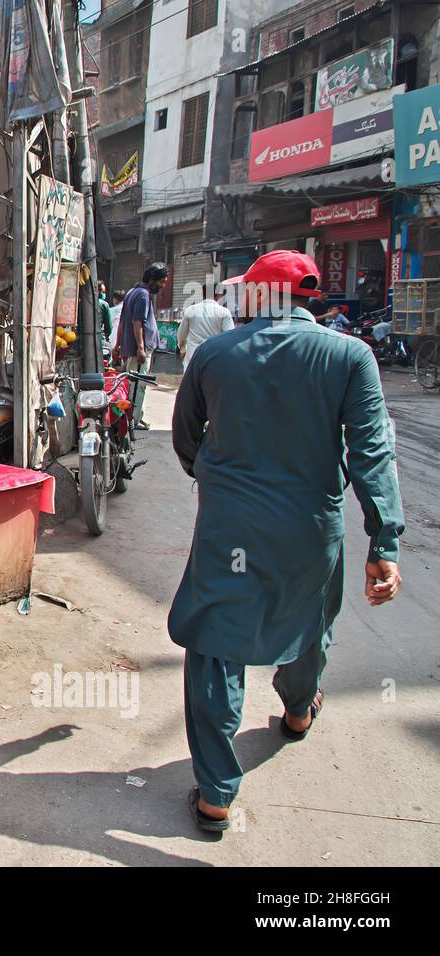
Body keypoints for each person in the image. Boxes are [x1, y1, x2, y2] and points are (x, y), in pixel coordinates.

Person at [169, 250, 404, 834]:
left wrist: (217, 481)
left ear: (263, 295)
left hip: (230, 530)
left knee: (215, 641)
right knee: (309, 620)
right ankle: (298, 711)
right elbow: (372, 451)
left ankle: (217, 793)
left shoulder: (214, 355)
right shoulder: (352, 356)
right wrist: (385, 541)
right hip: (311, 527)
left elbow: (185, 437)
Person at [115, 264, 167, 429]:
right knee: (138, 385)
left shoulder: (132, 292)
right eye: (161, 282)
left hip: (132, 347)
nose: (163, 285)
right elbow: (137, 322)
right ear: (151, 280)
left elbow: (123, 320)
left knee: (134, 383)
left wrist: (118, 343)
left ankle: (137, 415)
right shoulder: (143, 295)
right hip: (138, 350)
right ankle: (133, 420)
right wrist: (141, 348)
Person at [177, 287, 234, 367]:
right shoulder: (224, 312)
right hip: (214, 359)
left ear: (202, 294)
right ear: (218, 295)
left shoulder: (190, 310)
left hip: (192, 357)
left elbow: (181, 336)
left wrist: (182, 348)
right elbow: (230, 337)